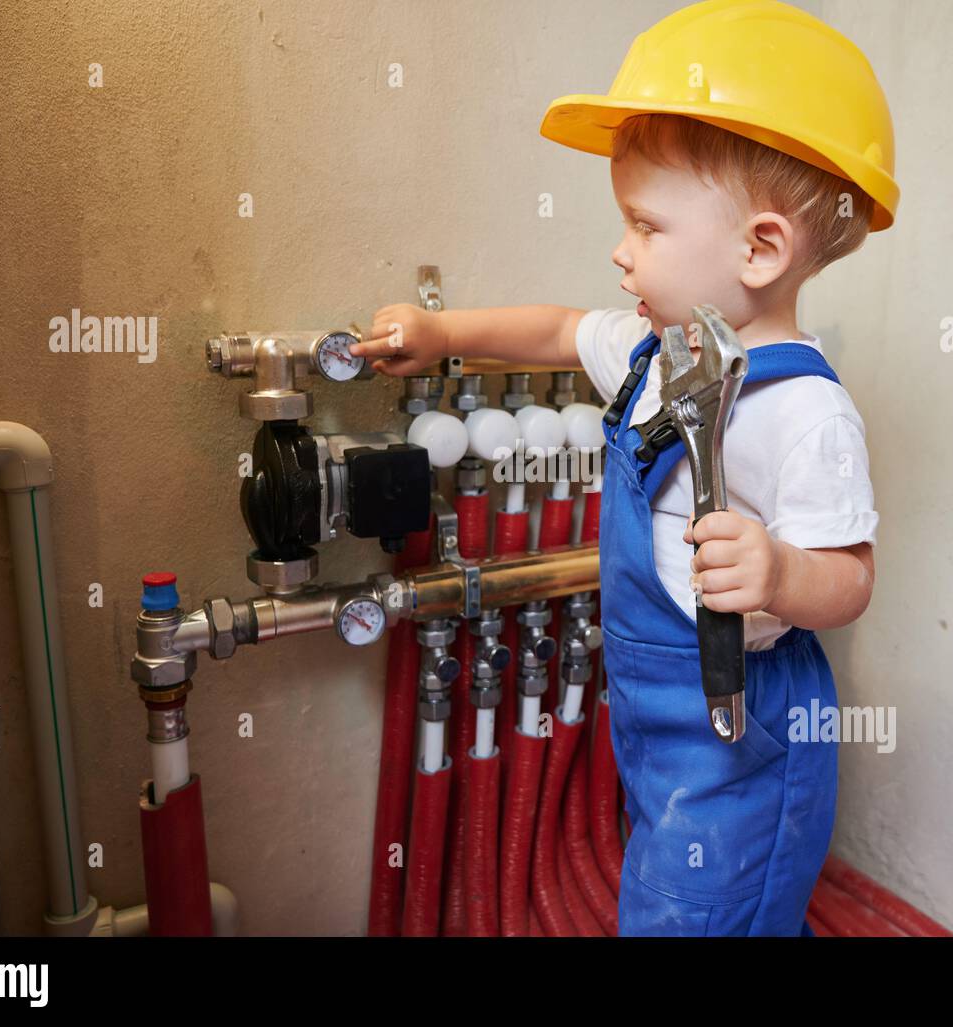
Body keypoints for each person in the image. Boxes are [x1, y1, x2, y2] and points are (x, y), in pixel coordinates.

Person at [350, 0, 896, 936]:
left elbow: (850, 578)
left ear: (761, 248)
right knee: (676, 889)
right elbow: (559, 329)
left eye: (644, 226)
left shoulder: (805, 412)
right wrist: (446, 334)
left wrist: (778, 572)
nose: (620, 250)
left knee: (697, 913)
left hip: (743, 732)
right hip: (651, 711)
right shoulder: (654, 351)